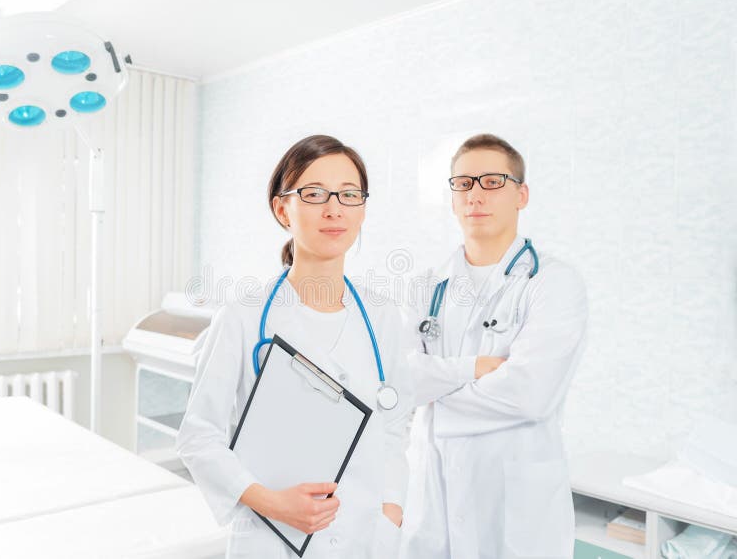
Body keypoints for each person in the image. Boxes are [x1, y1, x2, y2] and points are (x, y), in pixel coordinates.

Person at [176, 134, 412, 559]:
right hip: (270, 537)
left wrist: (390, 511)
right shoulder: (244, 316)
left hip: (364, 537)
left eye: (349, 194)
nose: (334, 209)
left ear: (362, 208)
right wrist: (271, 503)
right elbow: (198, 436)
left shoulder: (382, 315)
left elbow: (395, 426)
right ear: (282, 209)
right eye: (314, 193)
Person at [401, 134, 588, 559]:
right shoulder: (426, 286)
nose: (475, 195)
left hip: (515, 509)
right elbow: (400, 380)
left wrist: (434, 395)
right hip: (432, 498)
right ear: (452, 198)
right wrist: (473, 369)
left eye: (492, 182)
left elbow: (529, 394)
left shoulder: (553, 283)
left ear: (521, 195)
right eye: (463, 183)